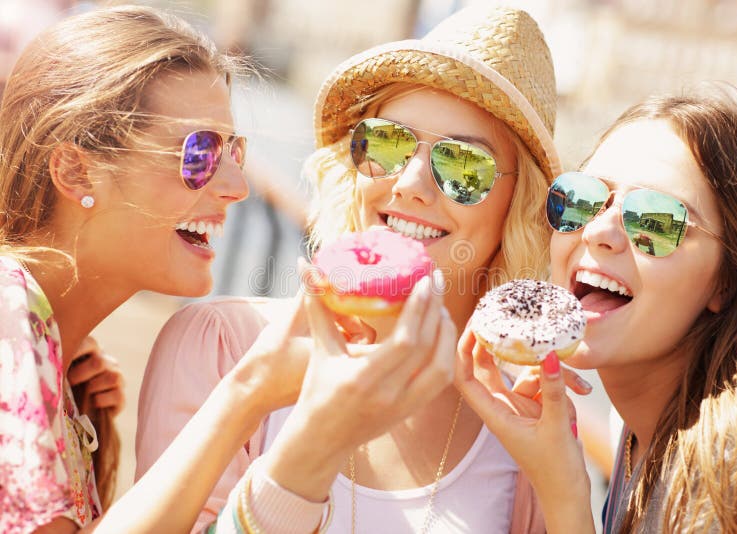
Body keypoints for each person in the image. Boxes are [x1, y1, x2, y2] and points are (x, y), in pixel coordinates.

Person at [136, 5, 593, 533]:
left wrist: (565, 494)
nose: (409, 184)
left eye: (465, 165)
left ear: (518, 204)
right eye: (386, 143)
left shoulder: (530, 422)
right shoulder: (221, 348)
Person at [0, 5, 396, 533]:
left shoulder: (54, 360)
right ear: (76, 170)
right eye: (200, 153)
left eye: (234, 150)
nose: (237, 186)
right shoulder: (8, 318)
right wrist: (248, 392)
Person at [457, 86, 737, 532]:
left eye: (654, 220)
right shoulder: (648, 428)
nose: (598, 230)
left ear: (727, 282)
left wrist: (562, 490)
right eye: (580, 199)